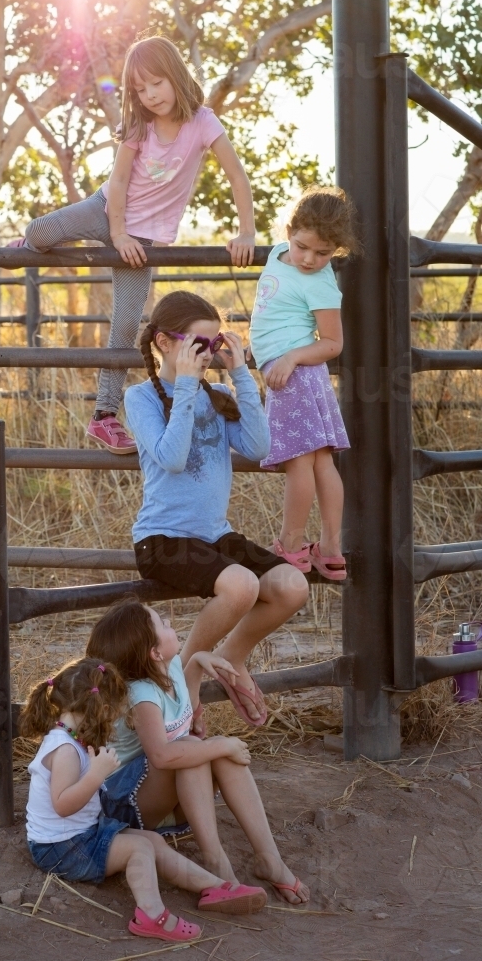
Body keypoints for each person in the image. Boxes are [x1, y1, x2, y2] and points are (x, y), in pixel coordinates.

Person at [10, 36, 256, 455]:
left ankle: (103, 416)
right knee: (41, 234)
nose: (149, 95)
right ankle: (27, 239)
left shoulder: (203, 122)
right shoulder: (138, 125)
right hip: (105, 209)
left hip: (142, 241)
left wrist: (246, 231)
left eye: (156, 83)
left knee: (125, 327)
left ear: (176, 75)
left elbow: (237, 176)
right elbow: (119, 182)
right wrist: (117, 233)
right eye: (139, 90)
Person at [124, 289, 309, 727]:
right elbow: (171, 457)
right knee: (243, 586)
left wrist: (241, 374)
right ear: (165, 343)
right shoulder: (141, 398)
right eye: (198, 345)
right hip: (162, 540)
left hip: (213, 537)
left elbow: (259, 446)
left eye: (214, 344)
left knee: (292, 585)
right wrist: (186, 385)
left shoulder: (217, 393)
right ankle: (183, 674)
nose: (208, 354)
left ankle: (231, 656)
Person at [18, 657, 268, 943]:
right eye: (112, 712)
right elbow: (62, 804)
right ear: (98, 707)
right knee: (138, 849)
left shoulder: (72, 739)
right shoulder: (64, 750)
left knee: (152, 841)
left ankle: (216, 887)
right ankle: (152, 915)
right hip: (61, 848)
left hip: (81, 834)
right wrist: (96, 775)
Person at [86, 601, 309, 904]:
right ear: (154, 653)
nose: (169, 621)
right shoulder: (141, 696)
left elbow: (184, 713)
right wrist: (218, 744)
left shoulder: (173, 665)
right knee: (198, 748)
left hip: (170, 796)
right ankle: (216, 863)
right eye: (161, 624)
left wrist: (198, 663)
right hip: (126, 805)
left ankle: (269, 858)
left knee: (211, 752)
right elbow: (162, 757)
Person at [248, 186, 360, 580]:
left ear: (337, 250)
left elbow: (333, 343)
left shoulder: (321, 283)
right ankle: (330, 550)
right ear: (289, 231)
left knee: (300, 463)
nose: (311, 259)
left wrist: (292, 356)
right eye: (303, 247)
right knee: (320, 460)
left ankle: (291, 546)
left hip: (294, 375)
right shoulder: (278, 254)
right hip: (297, 375)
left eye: (324, 253)